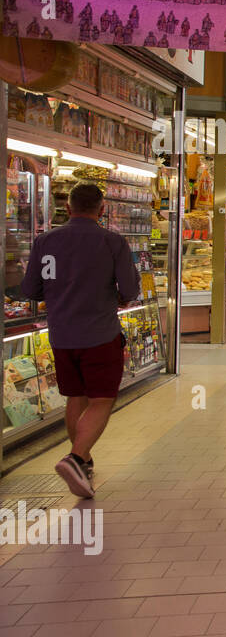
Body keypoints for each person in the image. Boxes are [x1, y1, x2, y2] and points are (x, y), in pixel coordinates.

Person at [19, 184, 140, 498]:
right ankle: (74, 458)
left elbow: (31, 290)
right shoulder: (112, 241)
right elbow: (130, 290)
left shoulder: (44, 241)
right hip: (100, 334)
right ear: (102, 210)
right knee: (101, 400)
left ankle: (83, 462)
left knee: (76, 397)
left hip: (61, 336)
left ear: (68, 208)